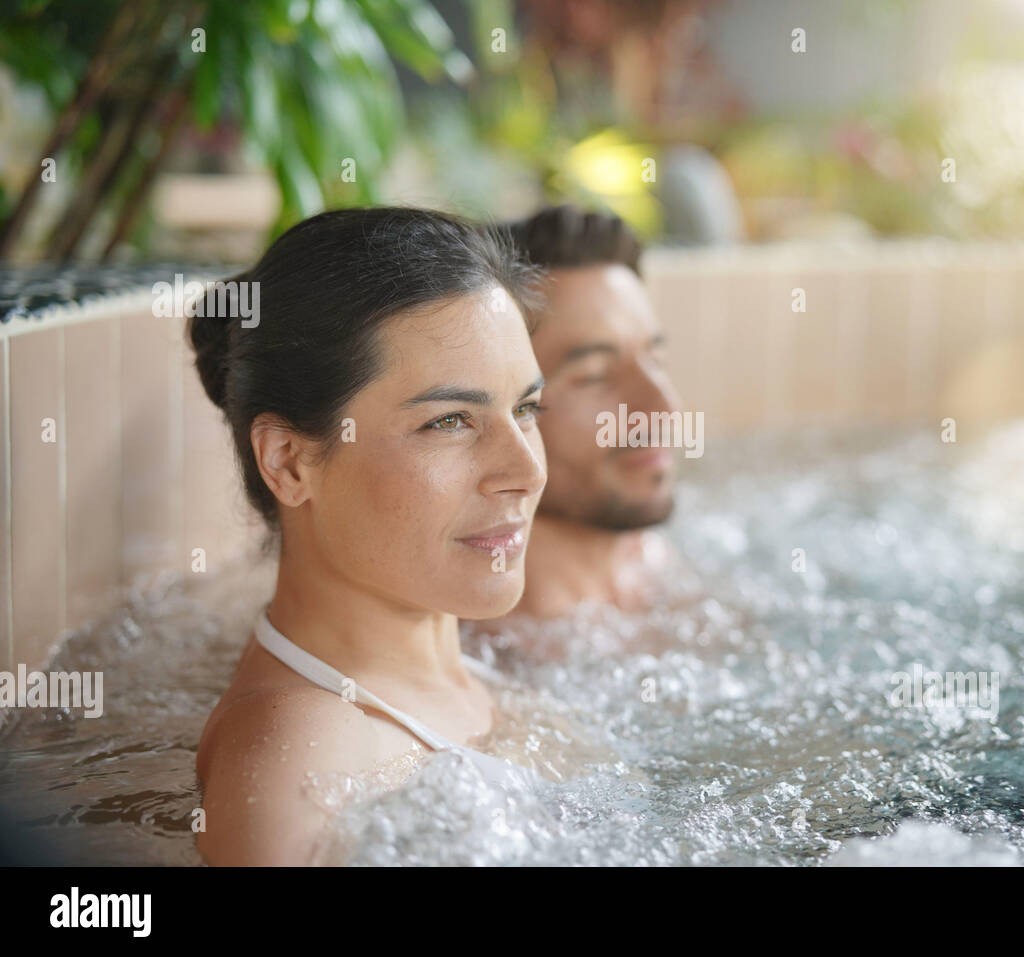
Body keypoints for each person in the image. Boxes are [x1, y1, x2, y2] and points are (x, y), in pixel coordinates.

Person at [191, 207, 548, 866]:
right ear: (290, 462)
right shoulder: (300, 755)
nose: (525, 471)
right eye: (449, 422)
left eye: (526, 408)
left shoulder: (471, 678)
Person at [474, 206, 686, 629]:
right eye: (594, 376)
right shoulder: (496, 664)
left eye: (655, 359)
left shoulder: (657, 566)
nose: (664, 408)